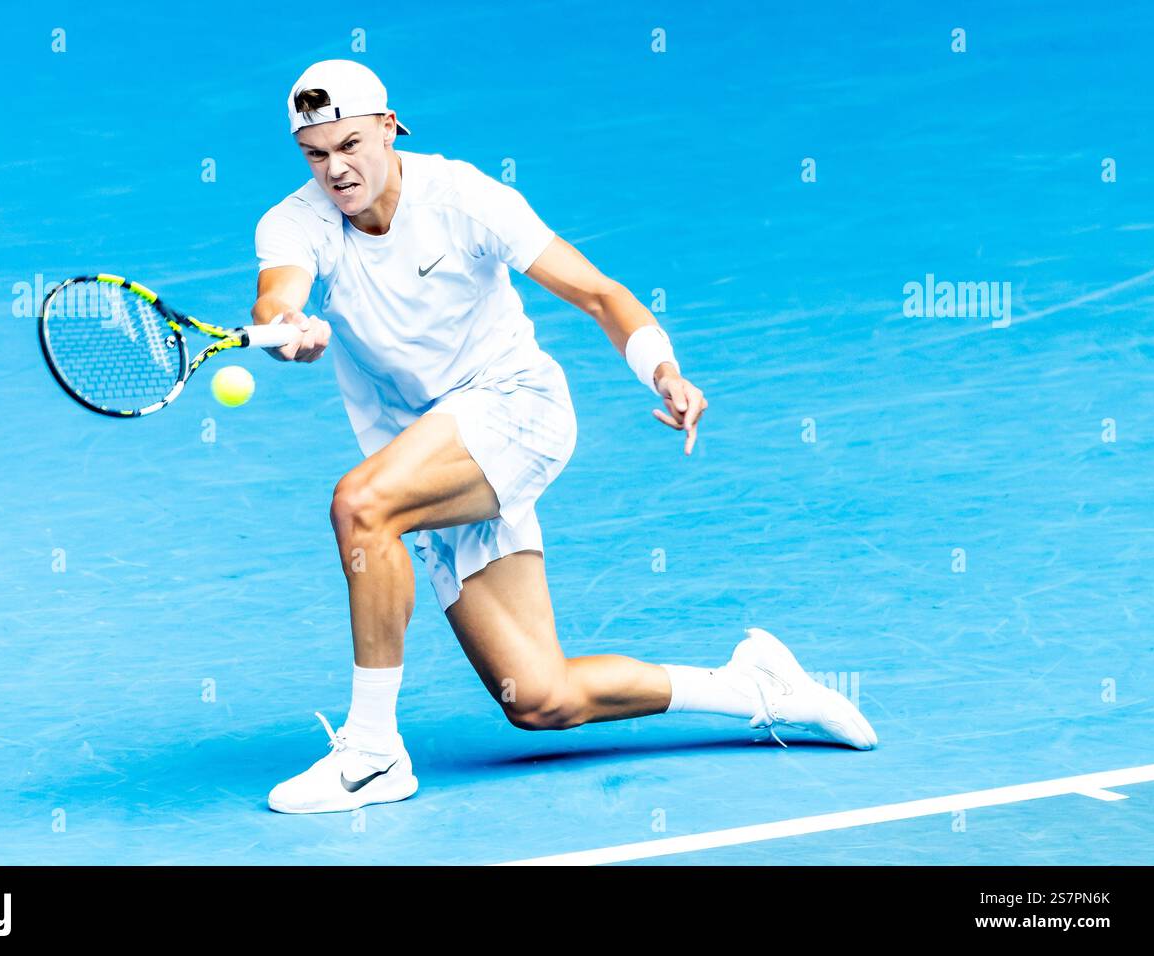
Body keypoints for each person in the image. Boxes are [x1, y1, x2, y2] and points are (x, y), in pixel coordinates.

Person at [253, 60, 877, 814]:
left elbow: (597, 293)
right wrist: (290, 332)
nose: (336, 169)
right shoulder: (295, 222)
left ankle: (373, 754)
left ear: (390, 126)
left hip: (515, 411)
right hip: (436, 455)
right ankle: (758, 688)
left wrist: (664, 372)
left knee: (361, 506)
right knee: (540, 698)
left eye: (350, 144)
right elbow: (280, 291)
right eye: (316, 154)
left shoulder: (463, 197)